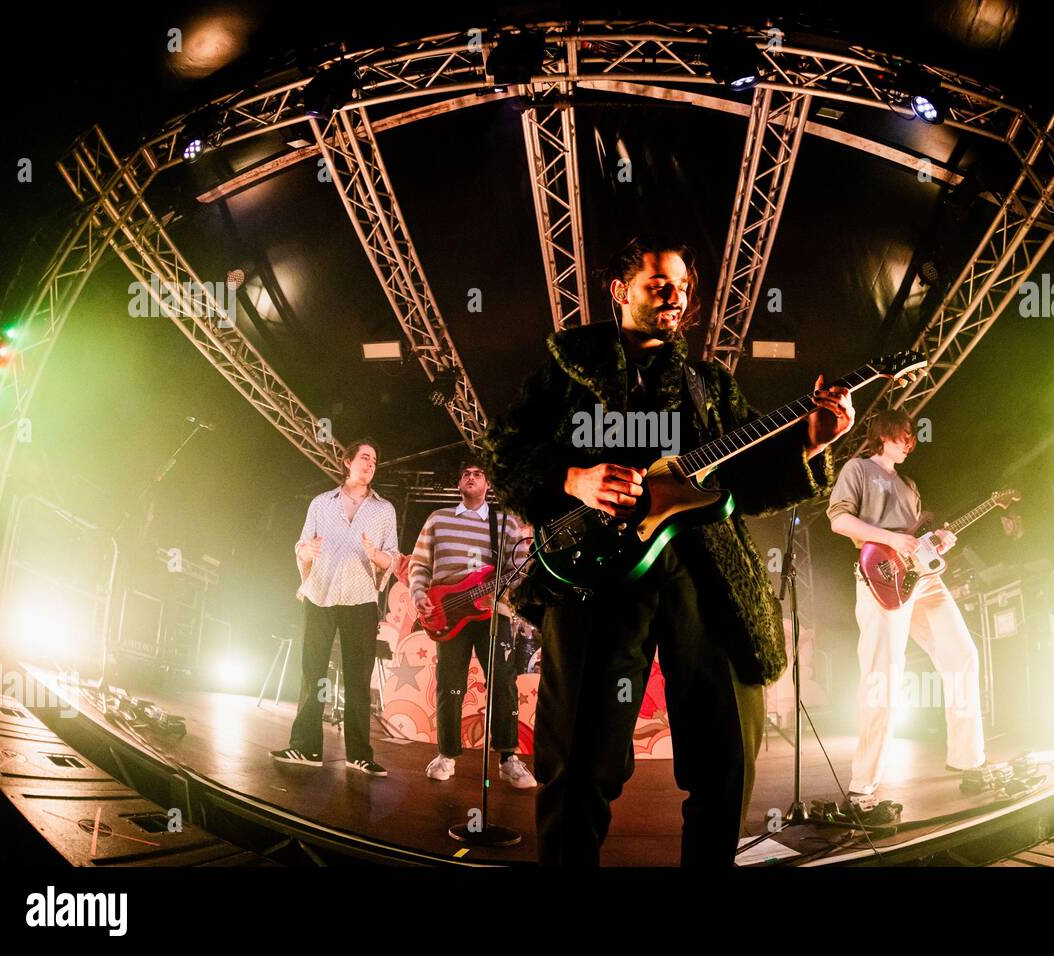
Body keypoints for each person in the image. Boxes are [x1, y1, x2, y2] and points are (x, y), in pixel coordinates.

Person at [483, 234, 854, 865]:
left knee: (724, 758)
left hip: (706, 577)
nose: (675, 297)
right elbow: (502, 454)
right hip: (595, 575)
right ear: (619, 291)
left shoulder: (709, 383)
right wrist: (572, 479)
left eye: (682, 287)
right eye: (659, 283)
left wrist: (813, 442)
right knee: (579, 759)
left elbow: (749, 481)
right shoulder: (564, 371)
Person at [827, 409, 986, 808]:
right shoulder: (858, 469)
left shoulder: (910, 486)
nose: (908, 443)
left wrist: (936, 543)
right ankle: (863, 784)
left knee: (962, 654)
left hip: (922, 579)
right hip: (879, 578)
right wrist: (891, 540)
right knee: (884, 676)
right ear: (883, 435)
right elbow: (839, 521)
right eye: (902, 436)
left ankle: (968, 760)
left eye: (912, 437)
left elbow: (913, 540)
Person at [271, 438, 399, 777]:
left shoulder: (383, 510)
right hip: (320, 594)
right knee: (313, 671)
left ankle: (359, 754)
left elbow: (394, 558)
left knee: (358, 677)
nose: (371, 464)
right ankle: (305, 747)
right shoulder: (321, 503)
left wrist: (376, 556)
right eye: (365, 457)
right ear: (348, 461)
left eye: (375, 460)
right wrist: (305, 553)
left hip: (360, 599)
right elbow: (301, 544)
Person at [407, 461, 536, 789]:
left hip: (493, 612)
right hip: (446, 612)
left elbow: (516, 569)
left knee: (504, 683)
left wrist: (521, 571)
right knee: (450, 684)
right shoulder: (438, 519)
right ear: (459, 482)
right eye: (465, 473)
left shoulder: (505, 522)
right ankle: (446, 754)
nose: (471, 477)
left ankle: (508, 758)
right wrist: (420, 593)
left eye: (478, 473)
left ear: (487, 484)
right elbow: (420, 563)